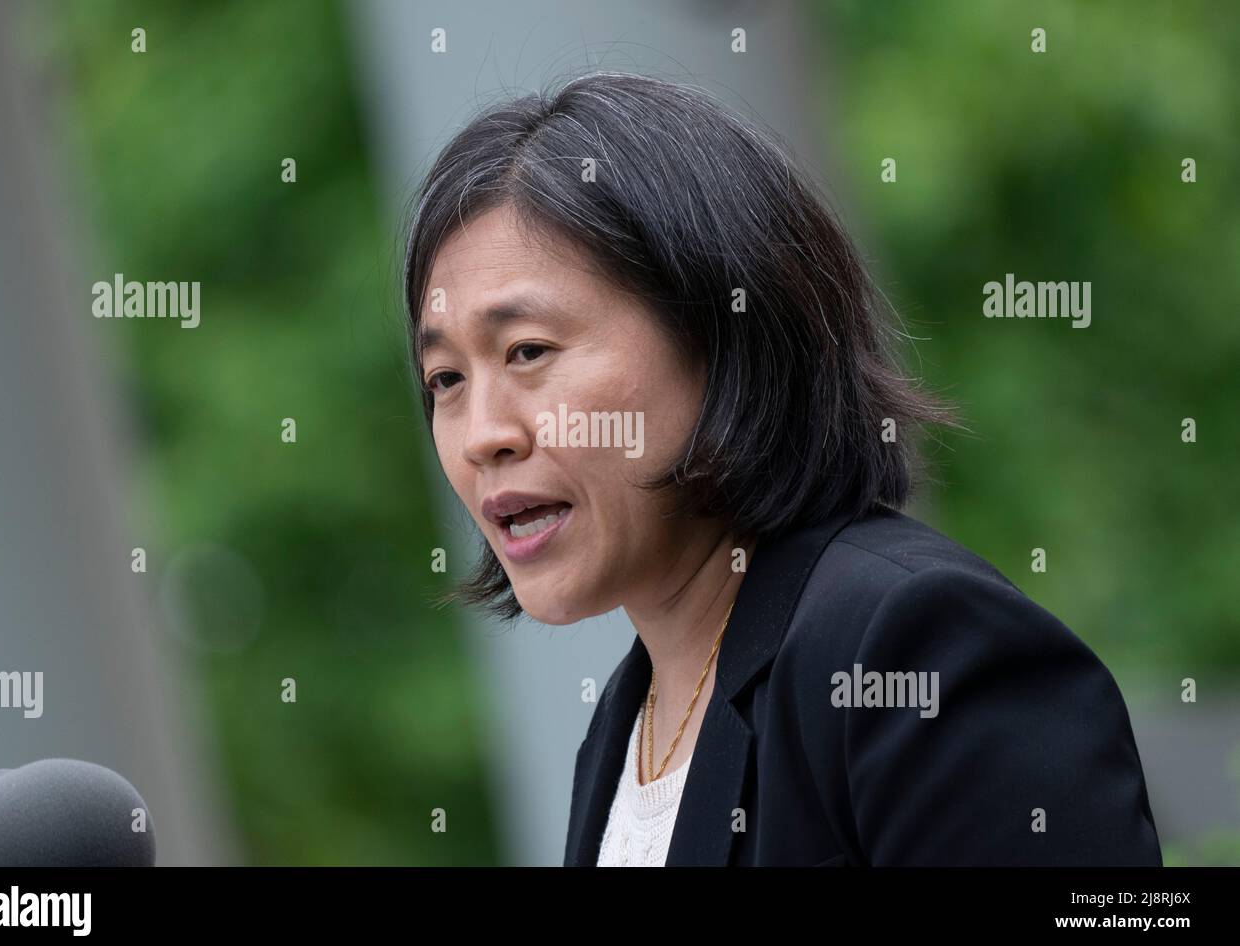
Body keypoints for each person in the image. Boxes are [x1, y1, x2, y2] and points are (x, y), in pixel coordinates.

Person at [401, 72, 1162, 866]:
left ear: (721, 334)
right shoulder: (620, 732)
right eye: (446, 380)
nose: (482, 434)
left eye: (528, 351)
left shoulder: (914, 647)